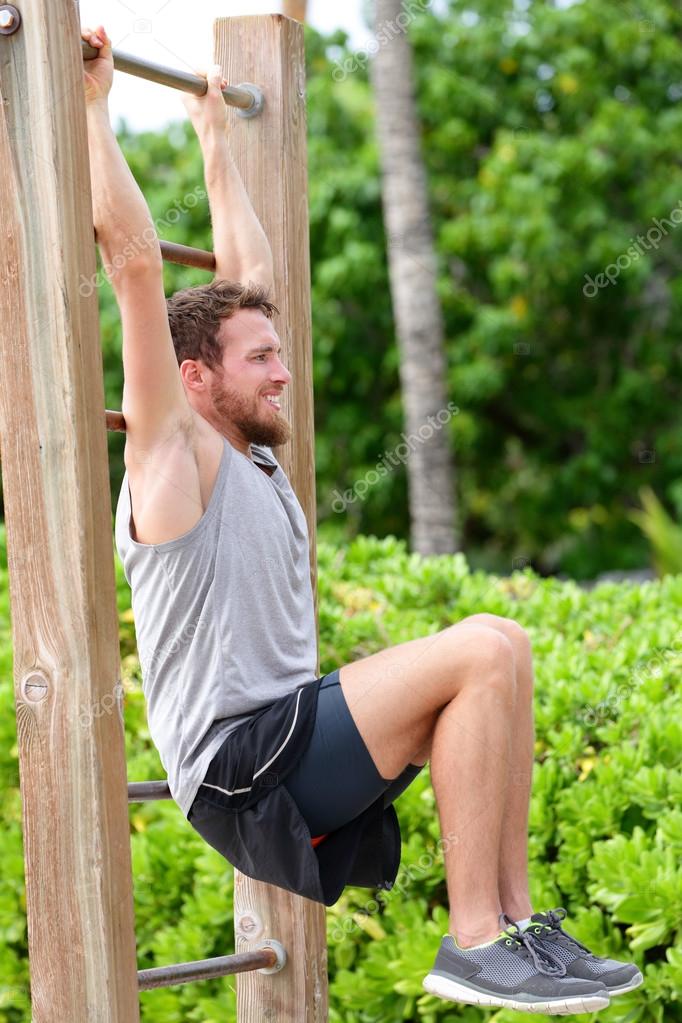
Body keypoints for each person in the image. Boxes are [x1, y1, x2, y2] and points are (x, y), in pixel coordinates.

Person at [83, 24, 642, 1014]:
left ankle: (510, 927)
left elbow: (251, 272)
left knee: (502, 646)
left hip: (282, 742)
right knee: (477, 648)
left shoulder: (254, 455)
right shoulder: (173, 454)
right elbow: (132, 266)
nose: (282, 368)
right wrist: (91, 109)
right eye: (259, 359)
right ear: (193, 378)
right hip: (237, 772)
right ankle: (472, 938)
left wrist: (215, 139)